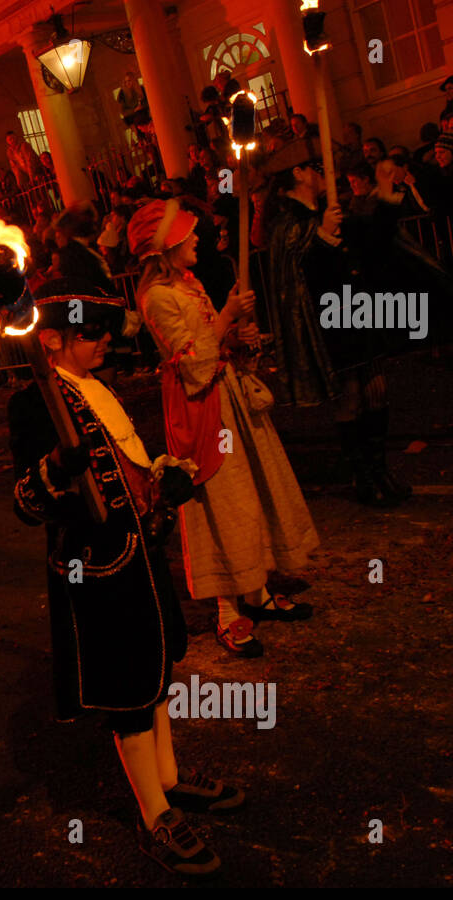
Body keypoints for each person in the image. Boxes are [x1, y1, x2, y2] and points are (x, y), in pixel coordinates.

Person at [8, 277, 242, 877]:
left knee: (155, 672)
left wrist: (163, 479)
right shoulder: (35, 400)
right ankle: (154, 812)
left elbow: (130, 462)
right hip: (96, 566)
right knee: (127, 690)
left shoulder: (93, 385)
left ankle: (167, 778)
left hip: (139, 548)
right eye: (92, 336)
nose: (105, 344)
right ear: (52, 340)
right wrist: (56, 468)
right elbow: (26, 501)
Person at [132, 198, 319, 658]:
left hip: (228, 397)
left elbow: (213, 344)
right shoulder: (157, 297)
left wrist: (239, 338)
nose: (198, 238)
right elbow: (192, 361)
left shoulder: (190, 282)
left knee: (250, 494)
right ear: (166, 245)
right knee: (221, 502)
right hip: (200, 408)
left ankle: (256, 592)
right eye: (188, 234)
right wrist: (228, 318)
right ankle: (227, 611)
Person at [261, 139, 411, 508]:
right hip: (327, 322)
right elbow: (298, 274)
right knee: (352, 398)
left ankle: (380, 468)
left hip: (358, 312)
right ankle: (363, 476)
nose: (322, 173)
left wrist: (387, 193)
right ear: (298, 174)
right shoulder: (289, 223)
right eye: (315, 167)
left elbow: (373, 239)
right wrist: (322, 236)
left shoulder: (330, 209)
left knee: (377, 389)